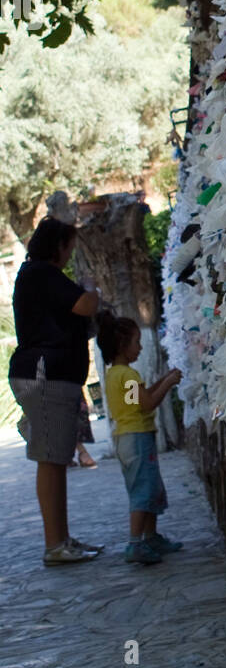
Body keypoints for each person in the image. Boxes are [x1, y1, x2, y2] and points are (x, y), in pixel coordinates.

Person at [8, 217, 105, 565]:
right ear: (58, 246)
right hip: (44, 377)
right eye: (68, 247)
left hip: (50, 377)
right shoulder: (41, 274)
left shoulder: (37, 276)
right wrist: (91, 288)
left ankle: (61, 538)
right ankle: (54, 544)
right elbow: (84, 305)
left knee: (56, 458)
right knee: (50, 460)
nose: (70, 254)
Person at [96, 311, 183, 565]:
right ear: (123, 347)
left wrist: (164, 379)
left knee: (149, 486)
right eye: (136, 342)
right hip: (136, 439)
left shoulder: (117, 374)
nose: (140, 346)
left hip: (130, 439)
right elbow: (147, 404)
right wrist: (168, 384)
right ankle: (136, 543)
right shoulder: (128, 376)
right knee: (143, 490)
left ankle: (150, 536)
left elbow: (139, 398)